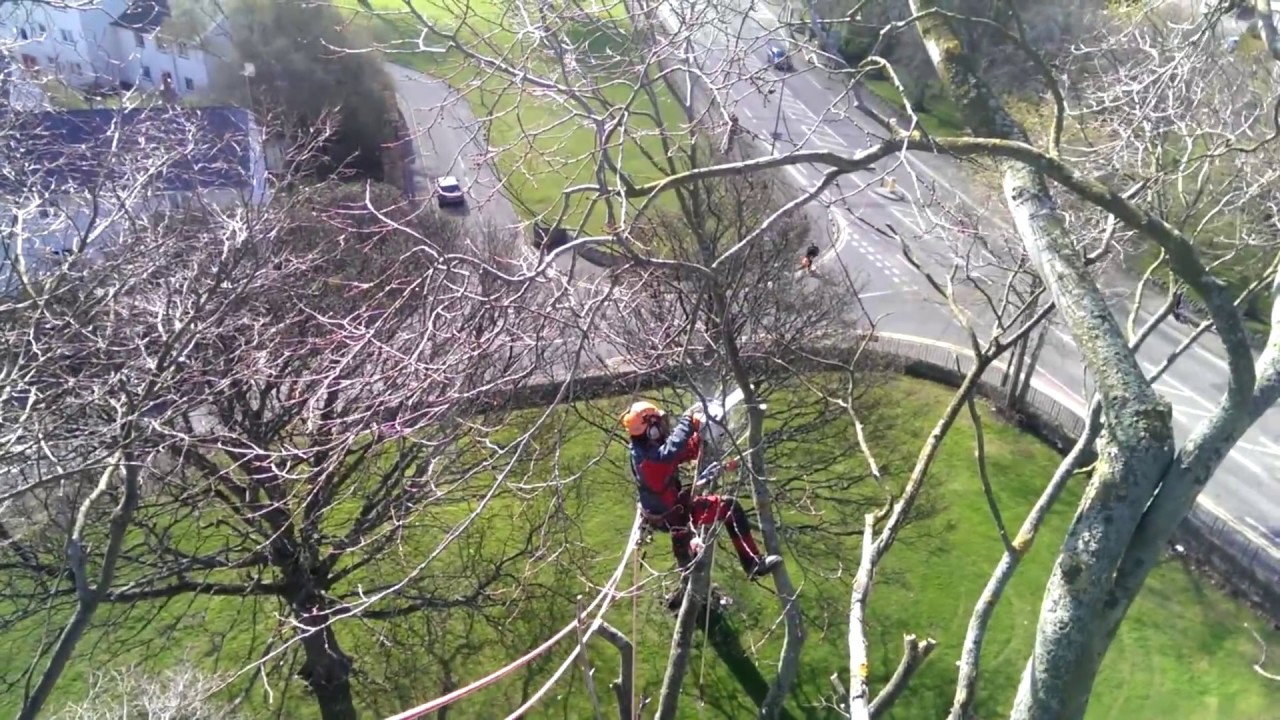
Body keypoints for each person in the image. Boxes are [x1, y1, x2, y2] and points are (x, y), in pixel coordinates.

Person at [621, 400, 783, 579]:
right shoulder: (651, 459)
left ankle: (751, 563)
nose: (663, 427)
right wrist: (688, 422)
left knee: (729, 506)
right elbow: (670, 453)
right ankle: (752, 563)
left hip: (674, 510)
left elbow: (680, 452)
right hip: (674, 516)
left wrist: (702, 437)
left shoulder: (647, 450)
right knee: (729, 508)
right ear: (651, 429)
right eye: (659, 424)